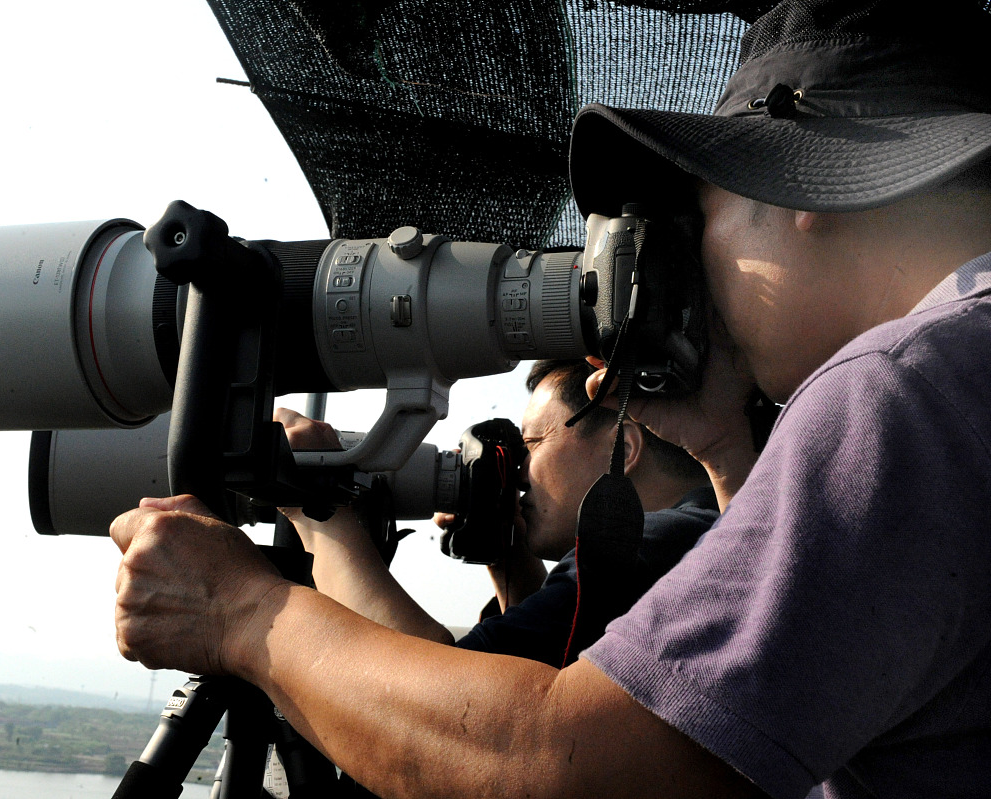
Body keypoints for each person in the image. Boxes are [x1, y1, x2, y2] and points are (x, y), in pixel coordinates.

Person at [110, 2, 991, 796]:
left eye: (708, 202)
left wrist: (242, 612)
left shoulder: (904, 386)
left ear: (809, 183)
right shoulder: (957, 372)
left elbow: (556, 770)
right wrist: (727, 446)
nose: (703, 254)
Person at [275, 358, 717, 668]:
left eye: (532, 446)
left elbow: (444, 698)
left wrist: (320, 515)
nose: (520, 475)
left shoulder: (648, 550)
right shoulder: (694, 544)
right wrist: (507, 556)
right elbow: (538, 670)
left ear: (624, 447)